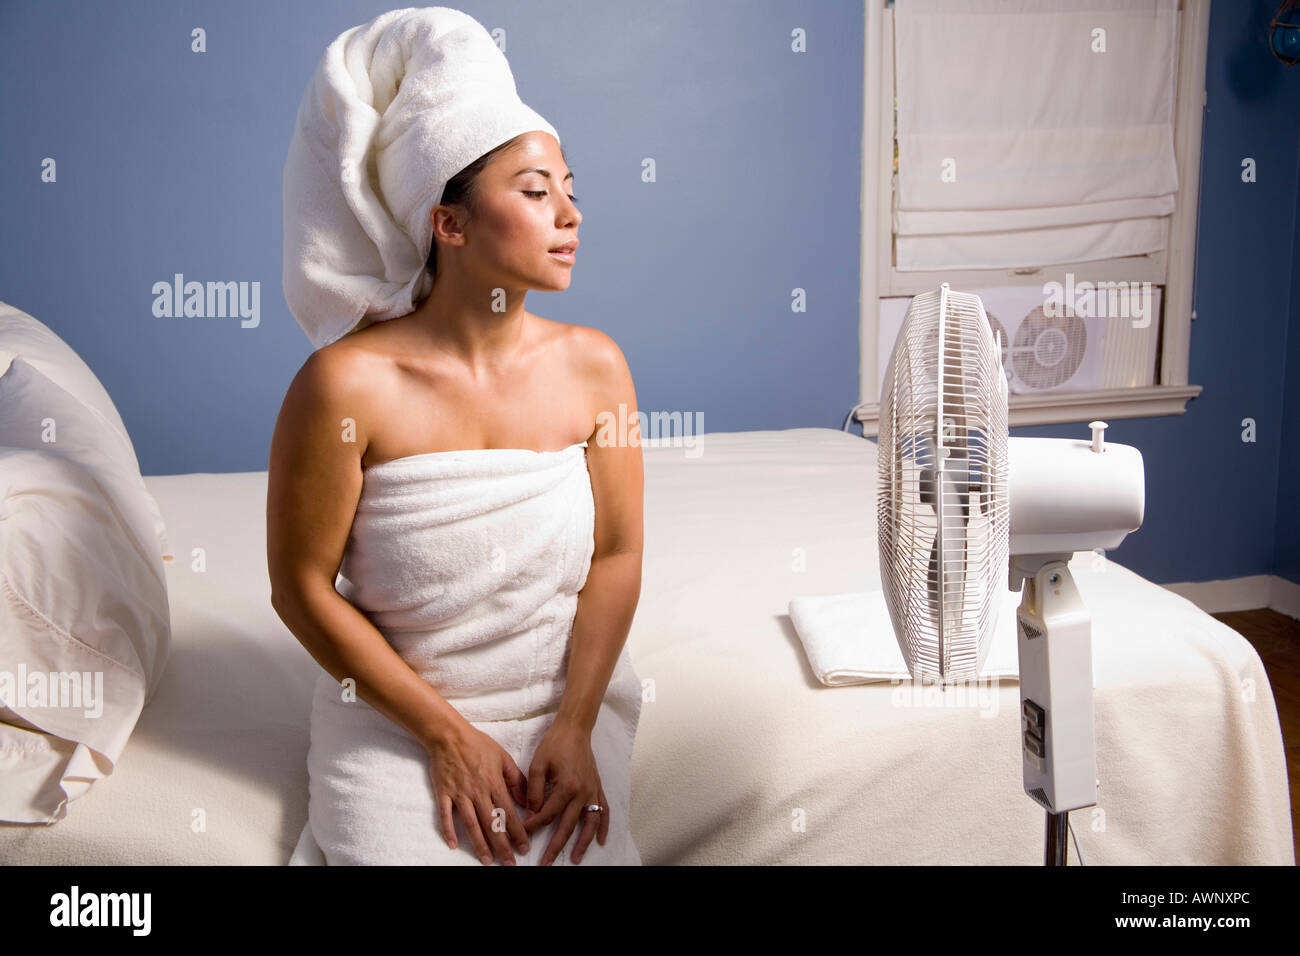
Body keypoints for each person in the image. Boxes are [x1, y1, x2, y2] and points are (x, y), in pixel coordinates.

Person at [268, 8, 643, 866]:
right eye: (536, 191)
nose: (570, 215)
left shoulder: (597, 370)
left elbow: (617, 553)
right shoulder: (345, 385)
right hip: (397, 718)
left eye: (571, 189)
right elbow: (301, 586)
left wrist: (577, 725)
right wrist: (445, 737)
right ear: (450, 224)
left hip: (560, 715)